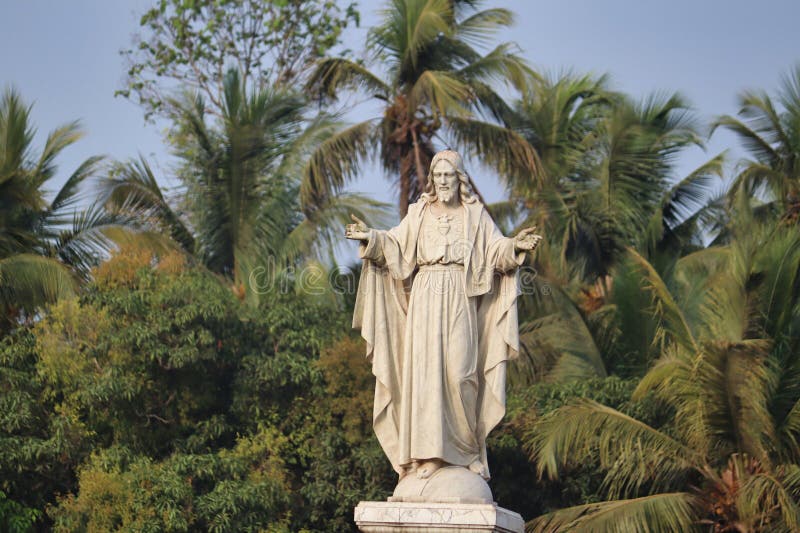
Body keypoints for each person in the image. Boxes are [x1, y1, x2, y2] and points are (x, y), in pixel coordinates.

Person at [345, 150, 541, 481]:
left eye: (448, 175)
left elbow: (495, 251)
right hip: (425, 294)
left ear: (460, 179)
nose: (443, 181)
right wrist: (371, 238)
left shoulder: (475, 216)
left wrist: (515, 247)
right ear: (432, 180)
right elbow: (394, 243)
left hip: (460, 296)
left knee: (461, 373)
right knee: (426, 376)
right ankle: (428, 455)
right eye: (437, 176)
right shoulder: (419, 212)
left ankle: (467, 452)